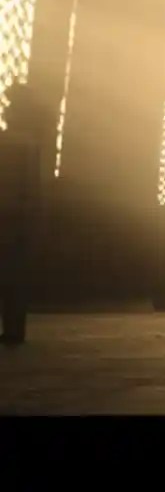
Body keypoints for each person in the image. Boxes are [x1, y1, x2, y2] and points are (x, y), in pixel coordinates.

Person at [0, 84, 45, 345]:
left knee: (11, 275)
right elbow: (33, 186)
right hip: (18, 215)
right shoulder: (29, 145)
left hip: (10, 214)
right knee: (14, 277)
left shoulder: (13, 144)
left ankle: (14, 329)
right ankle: (15, 329)